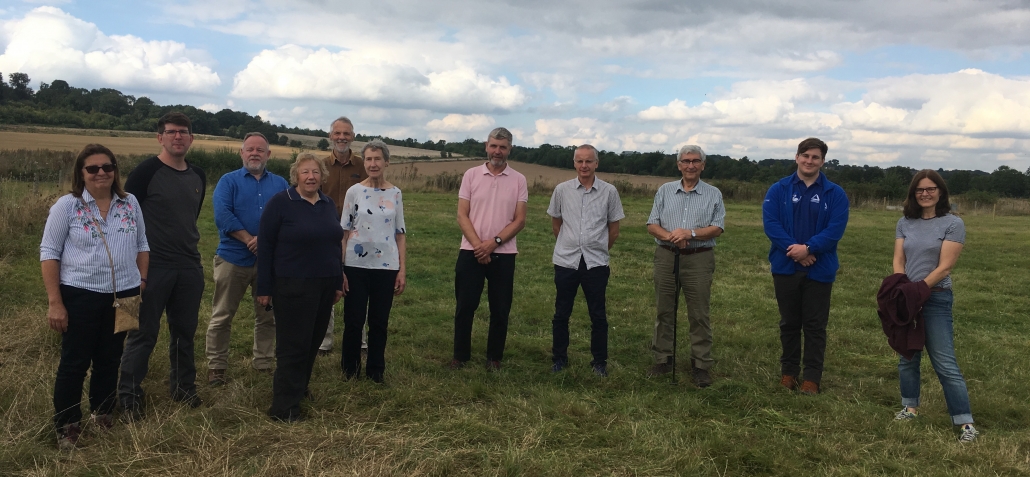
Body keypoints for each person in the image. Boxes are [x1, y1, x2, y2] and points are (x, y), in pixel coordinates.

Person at [41, 144, 149, 449]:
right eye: (93, 168)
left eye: (107, 167)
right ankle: (67, 424)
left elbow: (143, 243)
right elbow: (49, 252)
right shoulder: (68, 206)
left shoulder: (130, 203)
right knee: (75, 362)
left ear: (115, 170)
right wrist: (55, 302)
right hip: (81, 294)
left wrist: (140, 280)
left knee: (110, 358)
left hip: (126, 295)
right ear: (81, 173)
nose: (101, 173)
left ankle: (102, 414)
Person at [119, 112, 207, 420]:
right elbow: (126, 219)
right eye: (171, 132)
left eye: (184, 132)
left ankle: (184, 388)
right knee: (143, 332)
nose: (178, 137)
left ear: (191, 138)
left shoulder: (198, 175)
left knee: (185, 332)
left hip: (189, 267)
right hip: (151, 267)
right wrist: (135, 268)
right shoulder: (145, 173)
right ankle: (128, 397)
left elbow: (189, 217)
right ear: (160, 137)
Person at [891, 170, 979, 442]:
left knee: (944, 362)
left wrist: (918, 290)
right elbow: (898, 260)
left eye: (931, 189)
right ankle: (910, 407)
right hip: (907, 296)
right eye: (920, 189)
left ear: (940, 192)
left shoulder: (952, 223)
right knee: (907, 357)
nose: (925, 193)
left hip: (936, 297)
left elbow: (945, 267)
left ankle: (965, 423)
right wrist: (902, 287)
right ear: (913, 193)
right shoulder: (905, 222)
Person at [257, 153, 344, 422]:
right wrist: (264, 287)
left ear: (322, 176)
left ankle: (299, 388)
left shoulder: (328, 204)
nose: (310, 177)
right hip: (292, 285)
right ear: (296, 175)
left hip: (324, 285)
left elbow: (334, 244)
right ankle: (284, 408)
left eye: (316, 172)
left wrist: (338, 280)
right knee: (293, 346)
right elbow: (266, 246)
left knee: (312, 342)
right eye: (305, 172)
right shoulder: (281, 203)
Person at [762, 138, 849, 395]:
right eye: (805, 156)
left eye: (815, 157)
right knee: (789, 322)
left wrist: (809, 249)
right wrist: (796, 252)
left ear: (823, 161)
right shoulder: (778, 189)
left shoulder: (835, 193)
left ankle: (812, 377)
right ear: (797, 157)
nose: (809, 161)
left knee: (814, 325)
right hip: (785, 266)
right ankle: (788, 373)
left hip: (819, 269)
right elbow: (772, 225)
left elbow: (835, 230)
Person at [204, 132, 289, 385]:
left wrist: (266, 242)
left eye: (260, 150)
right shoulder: (228, 182)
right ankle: (216, 367)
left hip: (269, 263)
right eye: (249, 149)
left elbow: (288, 217)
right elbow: (223, 215)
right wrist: (251, 240)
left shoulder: (281, 184)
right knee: (222, 314)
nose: (254, 153)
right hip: (232, 258)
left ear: (268, 155)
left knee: (267, 316)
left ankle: (263, 363)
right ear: (241, 153)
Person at [645, 145, 725, 388]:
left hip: (699, 258)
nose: (691, 165)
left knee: (699, 313)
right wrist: (671, 236)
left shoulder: (713, 194)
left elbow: (717, 227)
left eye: (696, 161)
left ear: (703, 165)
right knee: (664, 310)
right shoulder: (665, 190)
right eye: (686, 161)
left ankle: (701, 365)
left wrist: (689, 233)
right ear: (679, 165)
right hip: (667, 255)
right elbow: (652, 224)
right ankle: (663, 359)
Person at [451, 127, 528, 371]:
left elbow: (519, 220)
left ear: (509, 149)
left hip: (503, 254)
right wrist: (478, 246)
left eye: (502, 147)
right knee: (465, 306)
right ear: (486, 146)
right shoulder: (471, 175)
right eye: (494, 146)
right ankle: (460, 356)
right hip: (470, 252)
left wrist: (493, 243)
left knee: (500, 308)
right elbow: (462, 215)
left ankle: (494, 357)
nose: (497, 151)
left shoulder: (519, 180)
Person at [546, 145, 624, 377]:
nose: (584, 166)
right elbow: (556, 224)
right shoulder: (562, 190)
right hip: (566, 261)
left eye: (588, 161)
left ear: (596, 163)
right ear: (574, 163)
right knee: (561, 313)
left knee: (598, 315)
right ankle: (559, 359)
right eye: (579, 161)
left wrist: (597, 248)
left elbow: (614, 230)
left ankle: (599, 362)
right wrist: (569, 245)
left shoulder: (609, 192)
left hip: (596, 263)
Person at [340, 140, 406, 383]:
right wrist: (341, 269)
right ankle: (350, 370)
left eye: (377, 159)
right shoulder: (354, 192)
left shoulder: (395, 193)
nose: (373, 163)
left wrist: (401, 270)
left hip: (386, 266)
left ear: (386, 162)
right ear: (364, 162)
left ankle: (376, 370)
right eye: (368, 159)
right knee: (354, 320)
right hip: (355, 265)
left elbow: (400, 233)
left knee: (379, 321)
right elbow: (344, 232)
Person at [318, 116, 368, 356]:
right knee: (327, 284)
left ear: (353, 137)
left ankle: (360, 339)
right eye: (337, 133)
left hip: (358, 235)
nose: (341, 138)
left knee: (357, 284)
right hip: (326, 234)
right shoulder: (319, 166)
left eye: (346, 134)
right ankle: (324, 341)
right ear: (330, 136)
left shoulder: (363, 166)